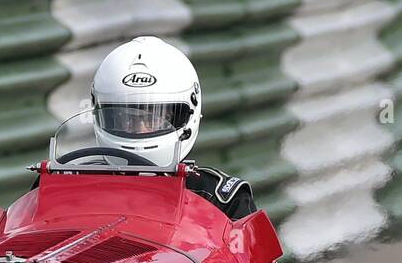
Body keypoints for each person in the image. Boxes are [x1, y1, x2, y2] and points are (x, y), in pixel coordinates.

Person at [58, 35, 258, 221]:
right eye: (124, 118)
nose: (140, 129)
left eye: (156, 118)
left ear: (187, 114)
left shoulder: (221, 199)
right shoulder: (66, 186)